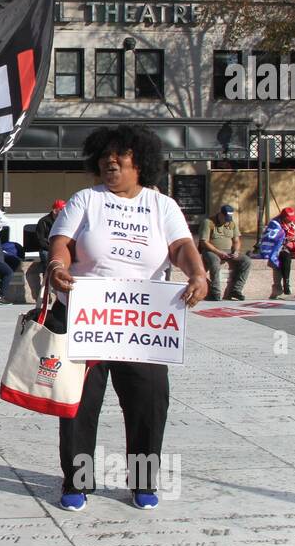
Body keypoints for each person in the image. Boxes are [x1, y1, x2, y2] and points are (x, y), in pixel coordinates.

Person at [47, 125, 208, 512]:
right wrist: (56, 264)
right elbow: (62, 242)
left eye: (120, 155)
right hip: (87, 319)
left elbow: (182, 246)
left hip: (142, 324)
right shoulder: (86, 199)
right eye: (105, 156)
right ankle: (78, 481)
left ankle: (143, 482)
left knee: (149, 404)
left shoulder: (162, 205)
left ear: (142, 162)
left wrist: (197, 273)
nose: (110, 161)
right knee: (80, 404)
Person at [260, 206, 295, 299]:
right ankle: (285, 284)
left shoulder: (294, 224)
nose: (291, 221)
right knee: (285, 257)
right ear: (283, 217)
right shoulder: (275, 224)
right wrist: (285, 240)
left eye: (292, 219)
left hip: (294, 247)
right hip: (279, 248)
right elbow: (272, 238)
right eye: (289, 219)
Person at [199, 204, 251, 301]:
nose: (226, 221)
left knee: (246, 261)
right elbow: (204, 242)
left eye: (229, 218)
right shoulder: (208, 222)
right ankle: (215, 292)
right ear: (220, 214)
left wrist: (235, 251)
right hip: (212, 250)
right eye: (225, 218)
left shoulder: (231, 223)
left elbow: (236, 240)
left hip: (228, 251)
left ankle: (236, 290)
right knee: (215, 263)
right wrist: (218, 252)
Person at [33, 199, 66, 302]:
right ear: (55, 210)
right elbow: (40, 240)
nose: (64, 212)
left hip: (59, 249)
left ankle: (61, 294)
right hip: (47, 249)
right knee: (48, 266)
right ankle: (46, 294)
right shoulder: (43, 221)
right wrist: (52, 248)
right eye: (62, 209)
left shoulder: (64, 221)